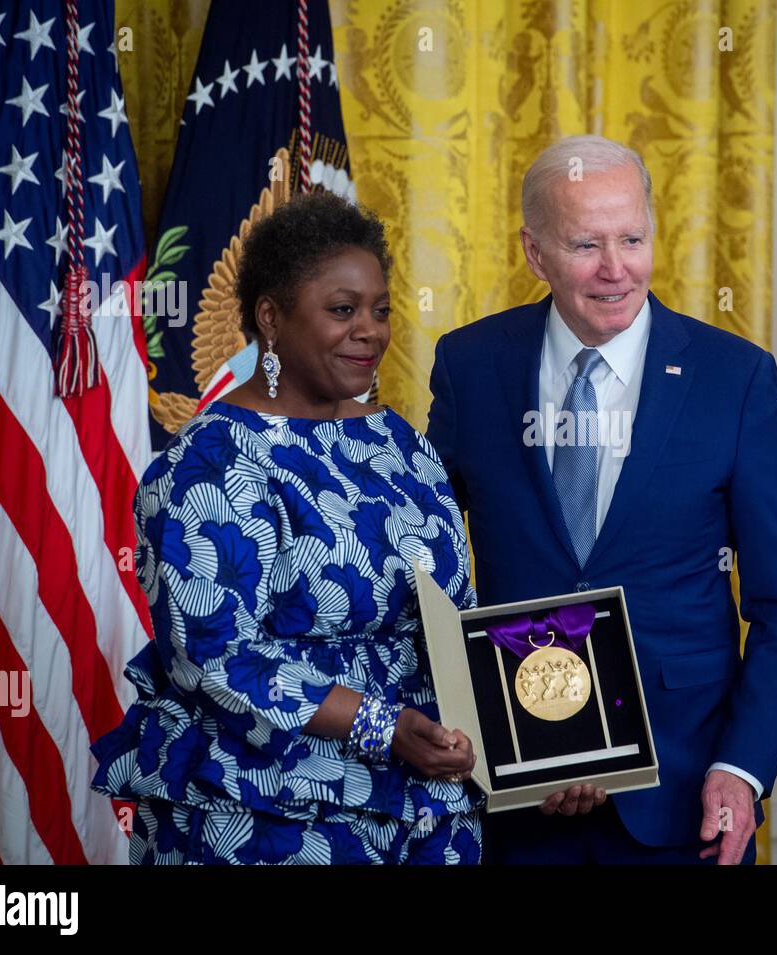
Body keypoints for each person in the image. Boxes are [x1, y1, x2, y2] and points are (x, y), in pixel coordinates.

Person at [426, 135, 777, 865]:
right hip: (514, 804)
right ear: (535, 252)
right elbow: (426, 576)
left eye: (632, 238)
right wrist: (479, 735)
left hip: (682, 802)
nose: (616, 269)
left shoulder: (733, 378)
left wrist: (741, 769)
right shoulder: (470, 365)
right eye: (586, 244)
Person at [91, 192, 483, 864]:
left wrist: (520, 733)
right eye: (342, 309)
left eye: (381, 309)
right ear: (270, 318)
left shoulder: (401, 445)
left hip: (431, 805)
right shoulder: (213, 462)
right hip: (268, 810)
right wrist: (382, 724)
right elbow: (215, 656)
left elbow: (452, 616)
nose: (372, 329)